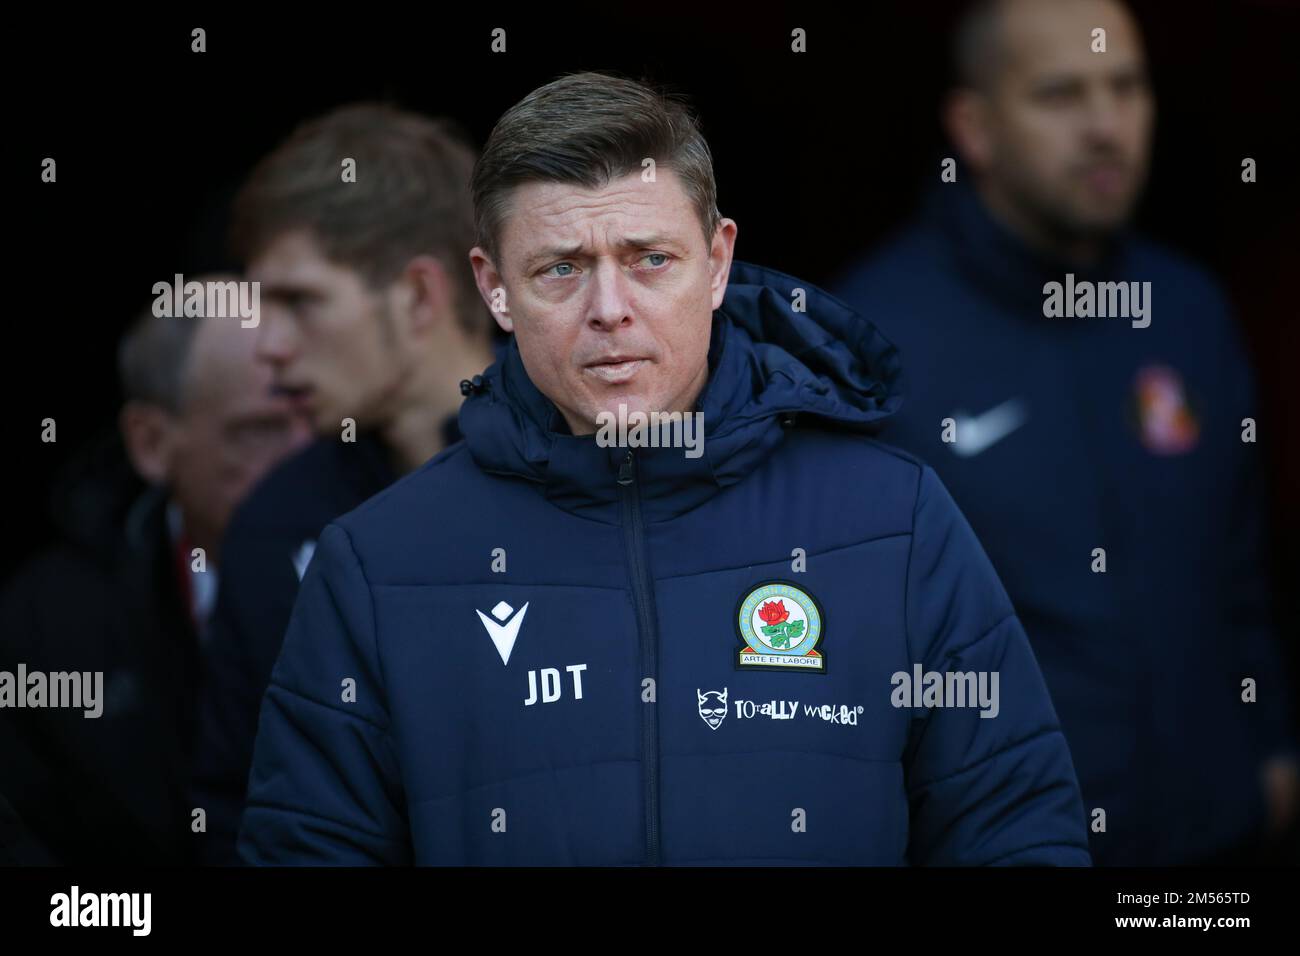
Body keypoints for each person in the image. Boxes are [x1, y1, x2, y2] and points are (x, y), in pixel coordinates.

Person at [237, 72, 1091, 866]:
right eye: (560, 269)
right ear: (493, 288)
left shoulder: (894, 522)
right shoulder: (378, 565)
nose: (610, 311)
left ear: (717, 263)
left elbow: (1016, 834)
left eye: (650, 259)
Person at [831, 0, 1296, 864]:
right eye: (1060, 94)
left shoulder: (1190, 308)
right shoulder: (876, 343)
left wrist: (1268, 748)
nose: (1105, 125)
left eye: (1126, 87)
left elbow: (1239, 567)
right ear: (974, 126)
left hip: (1216, 846)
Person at [191, 103, 501, 863]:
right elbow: (238, 807)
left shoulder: (593, 466)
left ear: (421, 296)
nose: (267, 347)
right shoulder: (276, 520)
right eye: (263, 307)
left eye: (299, 301)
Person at [0, 290, 309, 864]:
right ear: (151, 442)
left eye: (318, 420)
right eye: (258, 431)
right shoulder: (46, 626)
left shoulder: (379, 572)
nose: (306, 459)